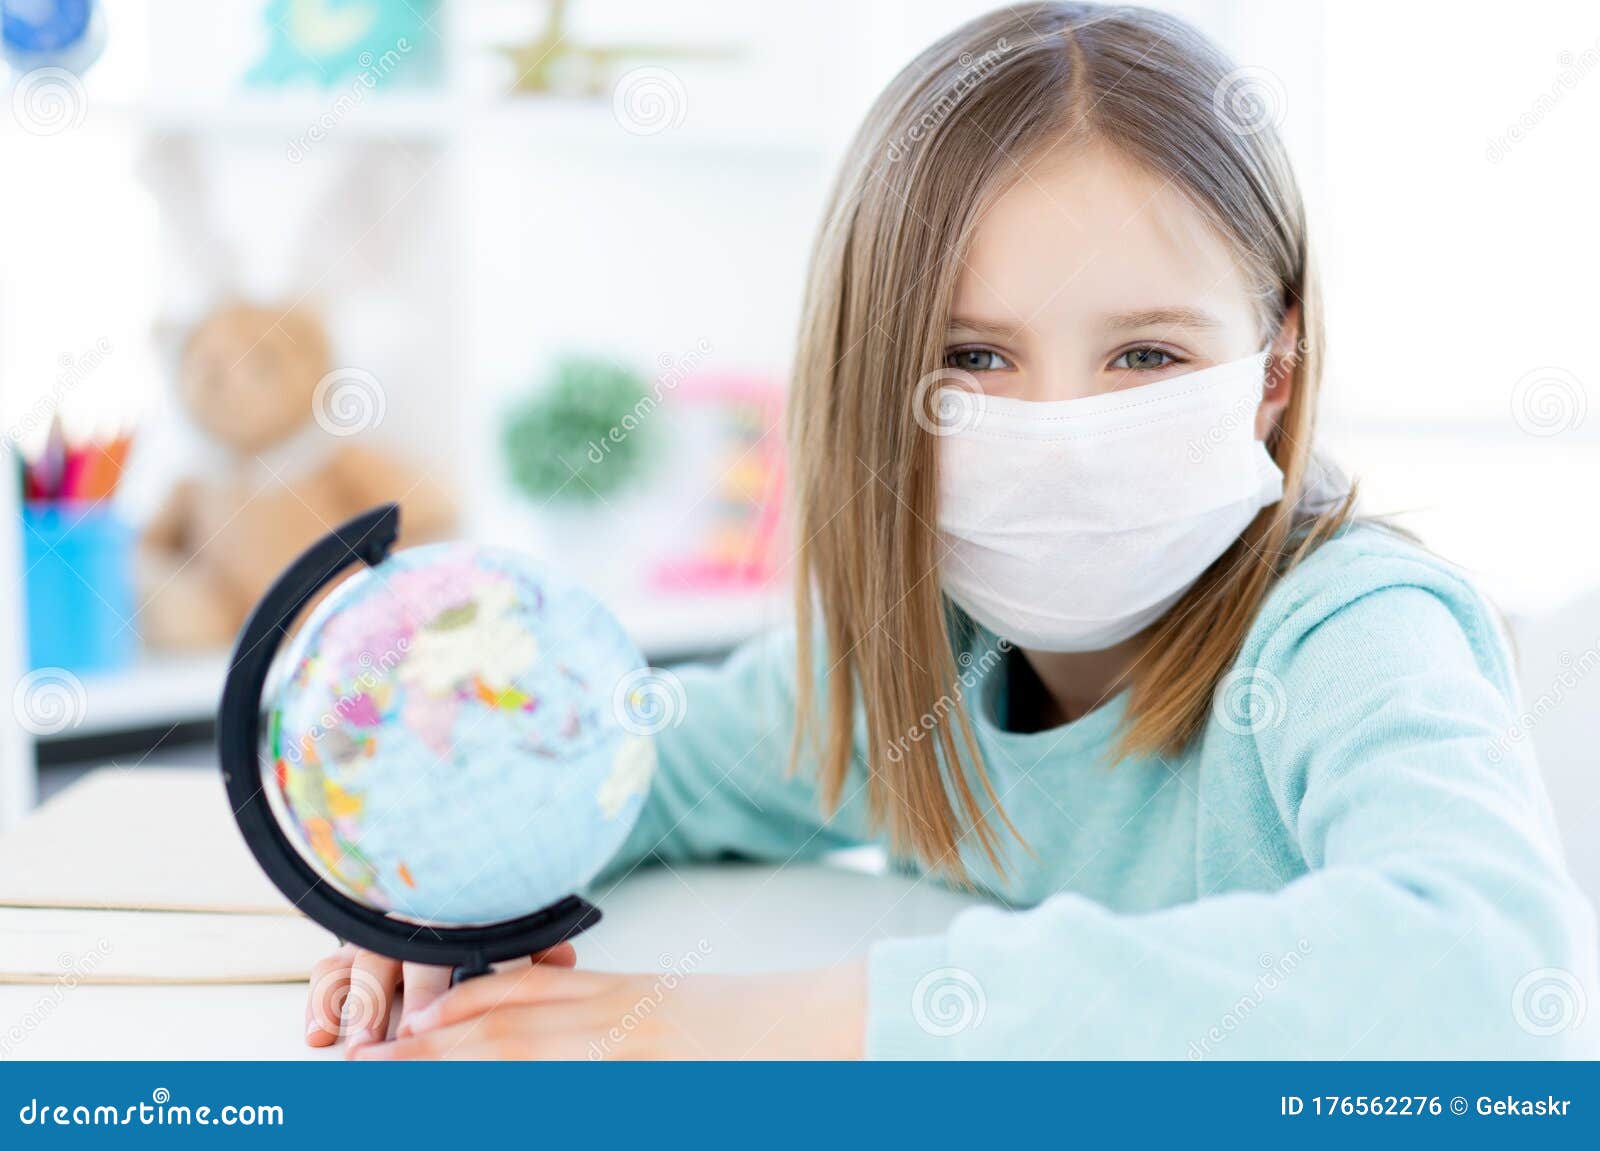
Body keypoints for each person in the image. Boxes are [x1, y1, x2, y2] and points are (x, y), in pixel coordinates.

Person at [308, 1, 1597, 1059]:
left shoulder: (1350, 636)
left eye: (1146, 353)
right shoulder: (917, 669)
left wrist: (786, 1022)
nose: (1061, 430)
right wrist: (444, 883)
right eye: (971, 357)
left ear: (1274, 367)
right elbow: (642, 765)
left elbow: (1489, 965)